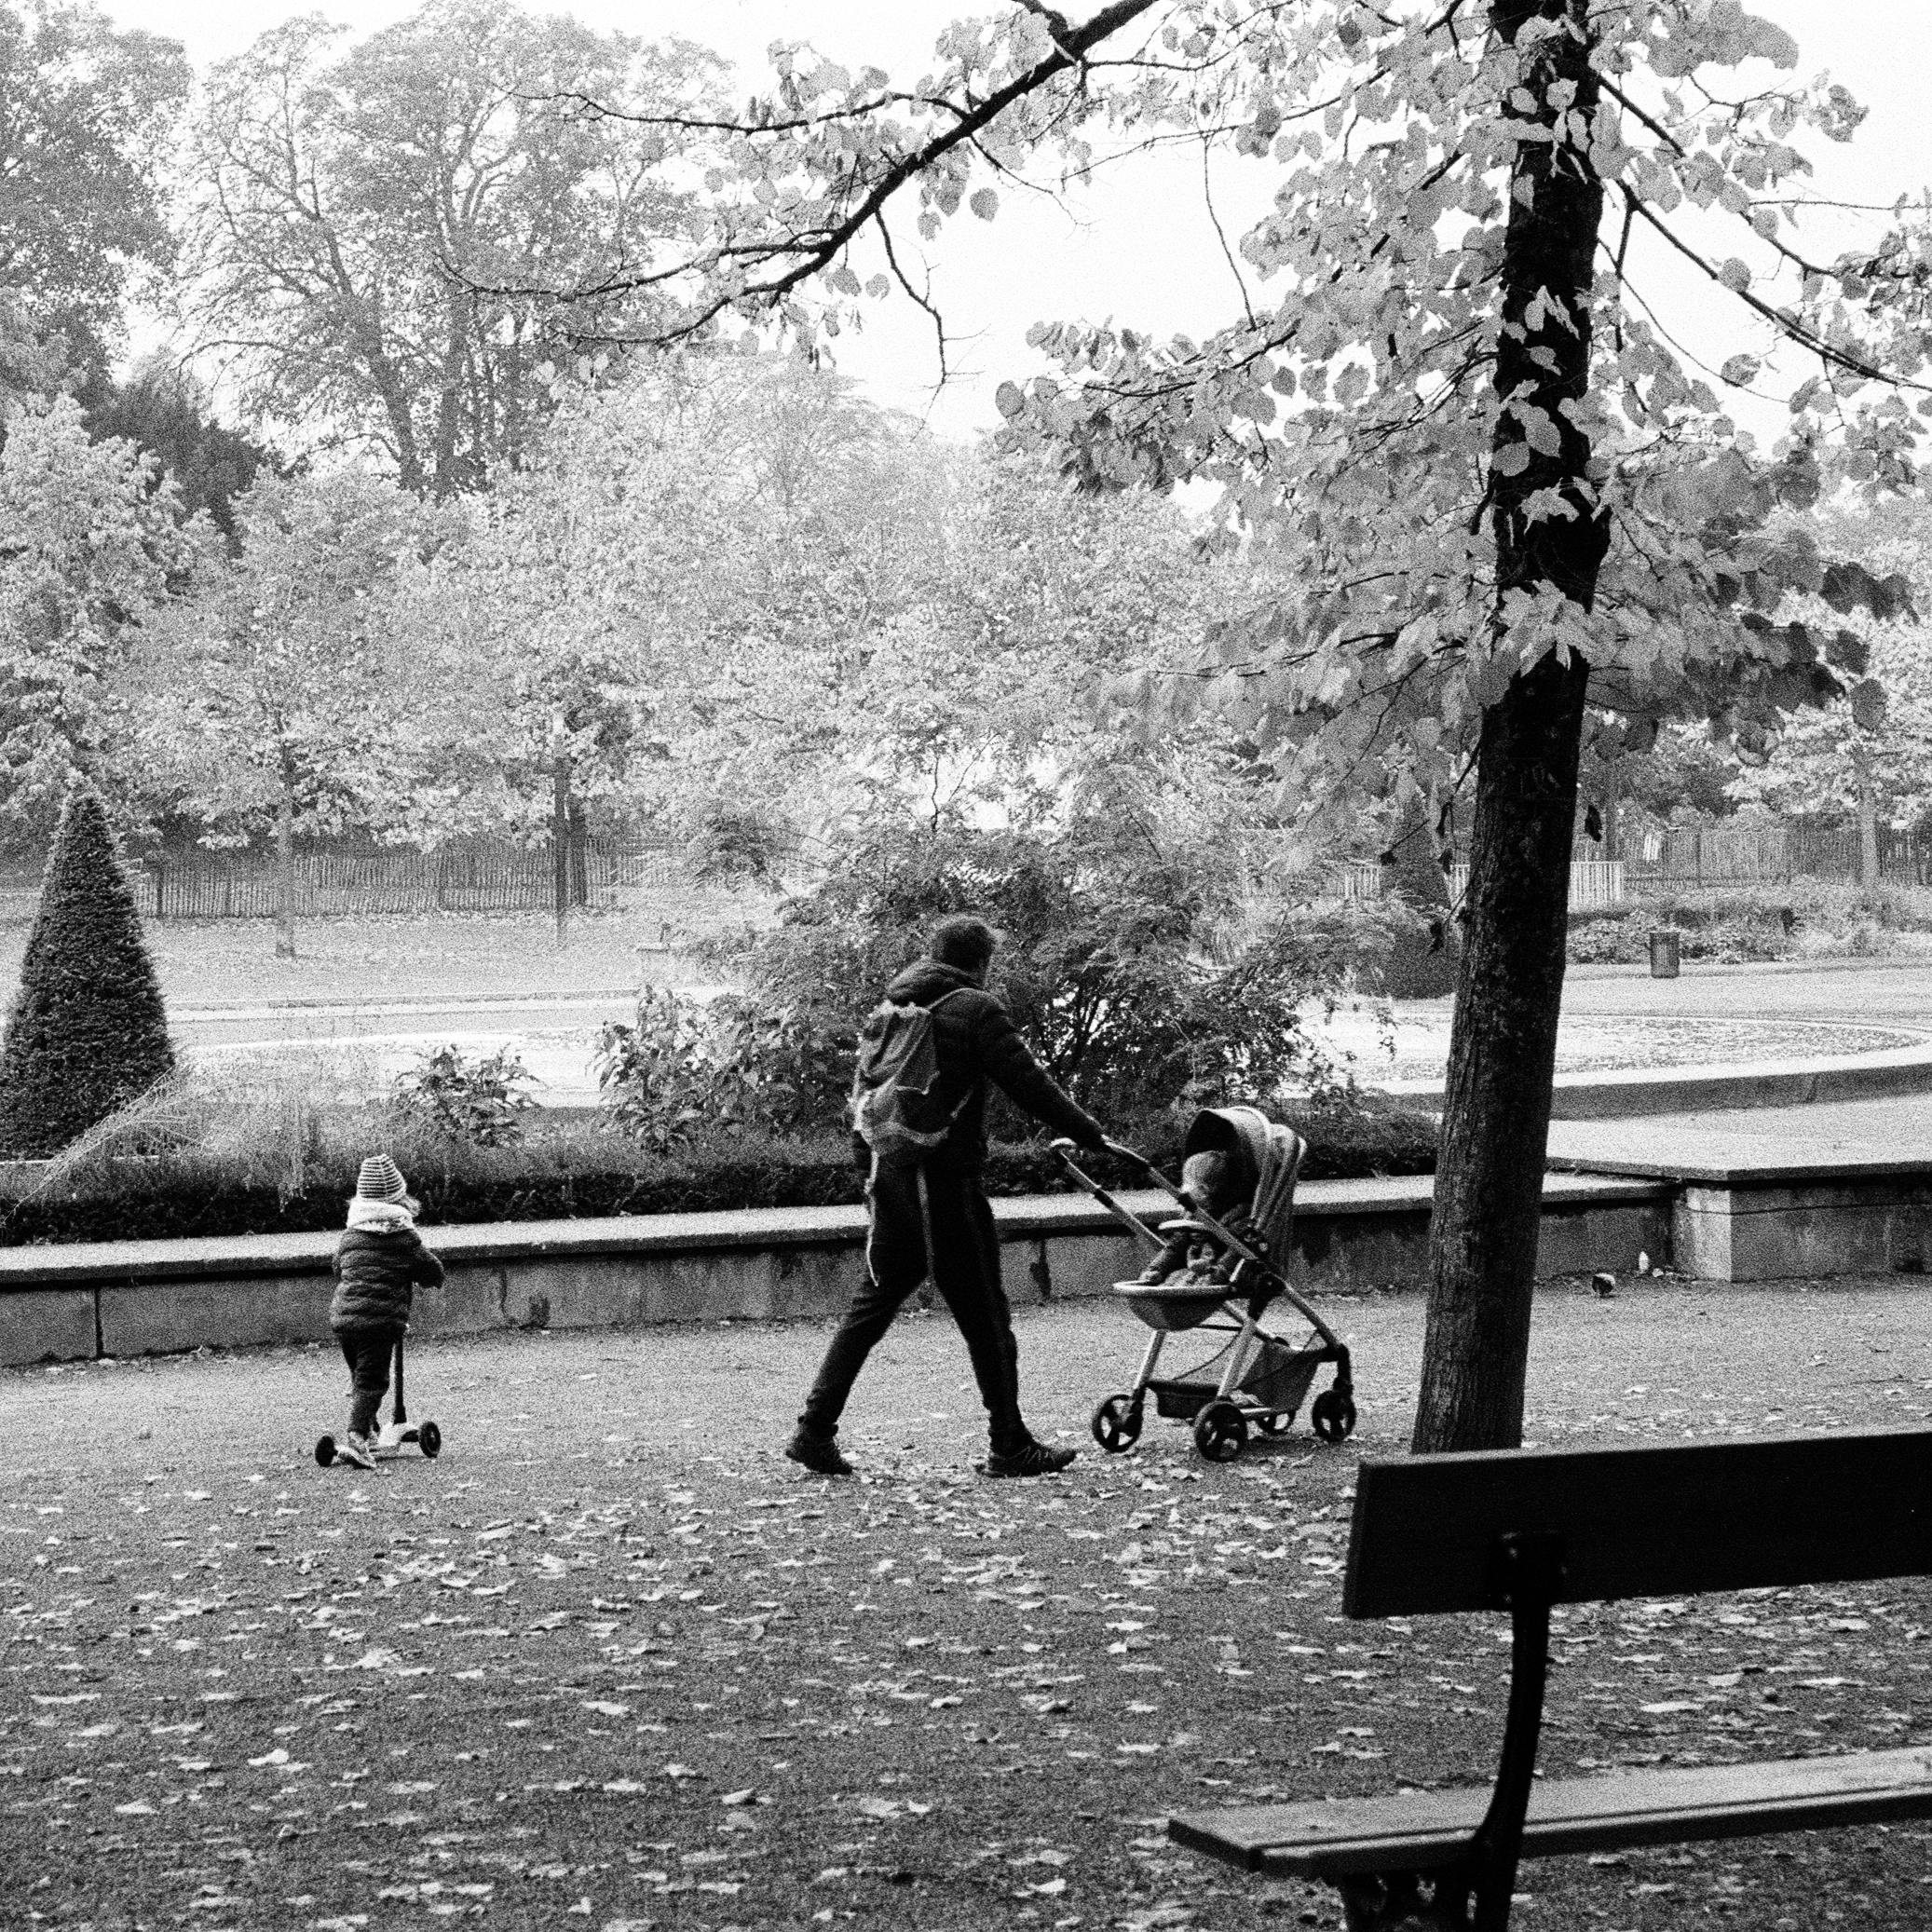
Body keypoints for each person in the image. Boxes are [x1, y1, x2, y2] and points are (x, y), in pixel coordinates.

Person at [787, 914, 1114, 1480]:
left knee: (873, 1305)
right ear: (981, 962)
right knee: (986, 1313)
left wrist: (871, 1180)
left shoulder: (894, 1006)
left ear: (934, 955)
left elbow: (864, 1103)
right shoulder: (975, 1009)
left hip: (891, 1177)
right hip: (944, 1185)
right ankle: (1009, 1444)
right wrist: (1090, 1134)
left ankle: (813, 1432)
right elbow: (1030, 1084)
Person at [328, 1153, 444, 1471]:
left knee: (360, 1377)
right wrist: (432, 1279)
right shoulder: (404, 1237)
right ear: (399, 1198)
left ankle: (369, 1428)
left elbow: (338, 1267)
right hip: (379, 1322)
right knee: (373, 1382)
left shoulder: (350, 1235)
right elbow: (430, 1269)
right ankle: (357, 1436)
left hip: (344, 1318)